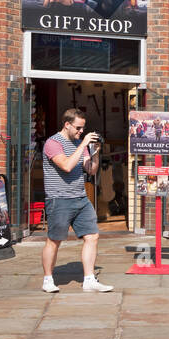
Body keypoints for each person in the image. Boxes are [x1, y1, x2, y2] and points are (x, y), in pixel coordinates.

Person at [41, 108, 112, 293]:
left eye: (83, 128)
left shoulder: (80, 143)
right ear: (67, 124)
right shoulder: (52, 143)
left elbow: (91, 170)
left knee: (92, 236)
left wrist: (95, 152)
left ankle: (89, 279)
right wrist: (83, 146)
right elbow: (66, 165)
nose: (81, 132)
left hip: (80, 197)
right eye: (78, 128)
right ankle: (48, 279)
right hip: (59, 199)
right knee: (54, 240)